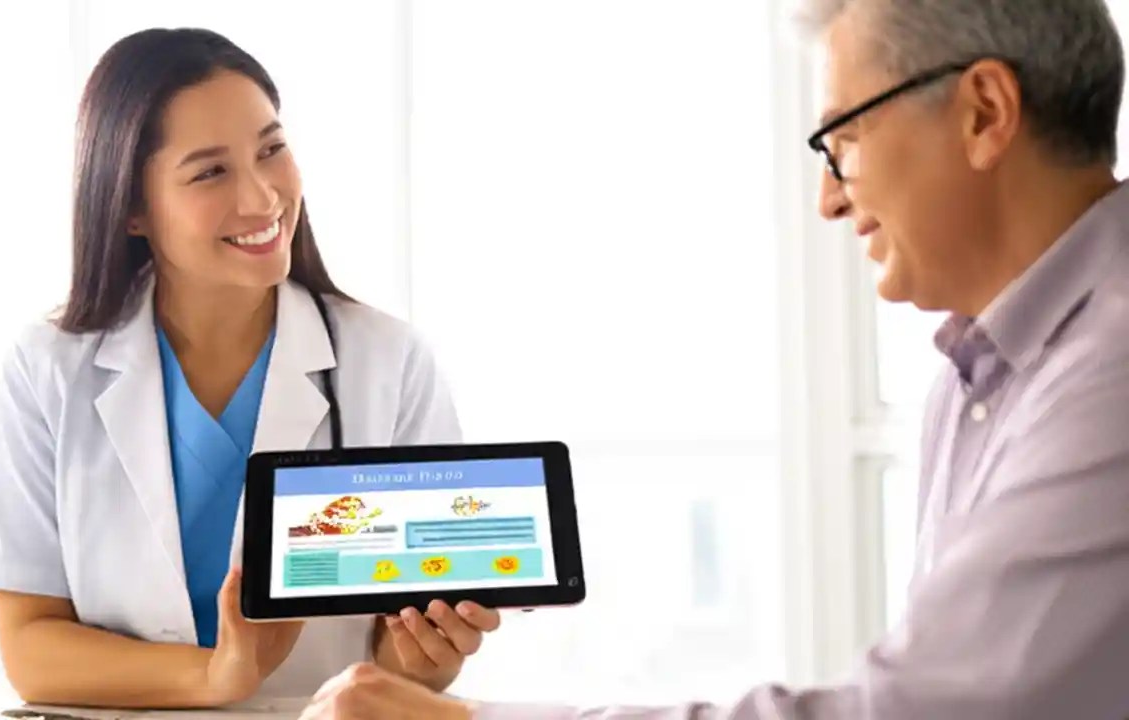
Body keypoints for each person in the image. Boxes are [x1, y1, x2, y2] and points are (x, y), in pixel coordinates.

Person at [299, 0, 1129, 718]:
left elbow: (915, 712)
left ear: (984, 111)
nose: (831, 197)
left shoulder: (1110, 368)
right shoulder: (976, 374)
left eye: (843, 138)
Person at [0, 27, 501, 710]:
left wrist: (422, 658)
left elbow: (399, 651)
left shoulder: (387, 362)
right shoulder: (49, 368)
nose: (262, 198)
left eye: (271, 149)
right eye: (210, 171)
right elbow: (32, 646)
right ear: (129, 208)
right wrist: (212, 676)